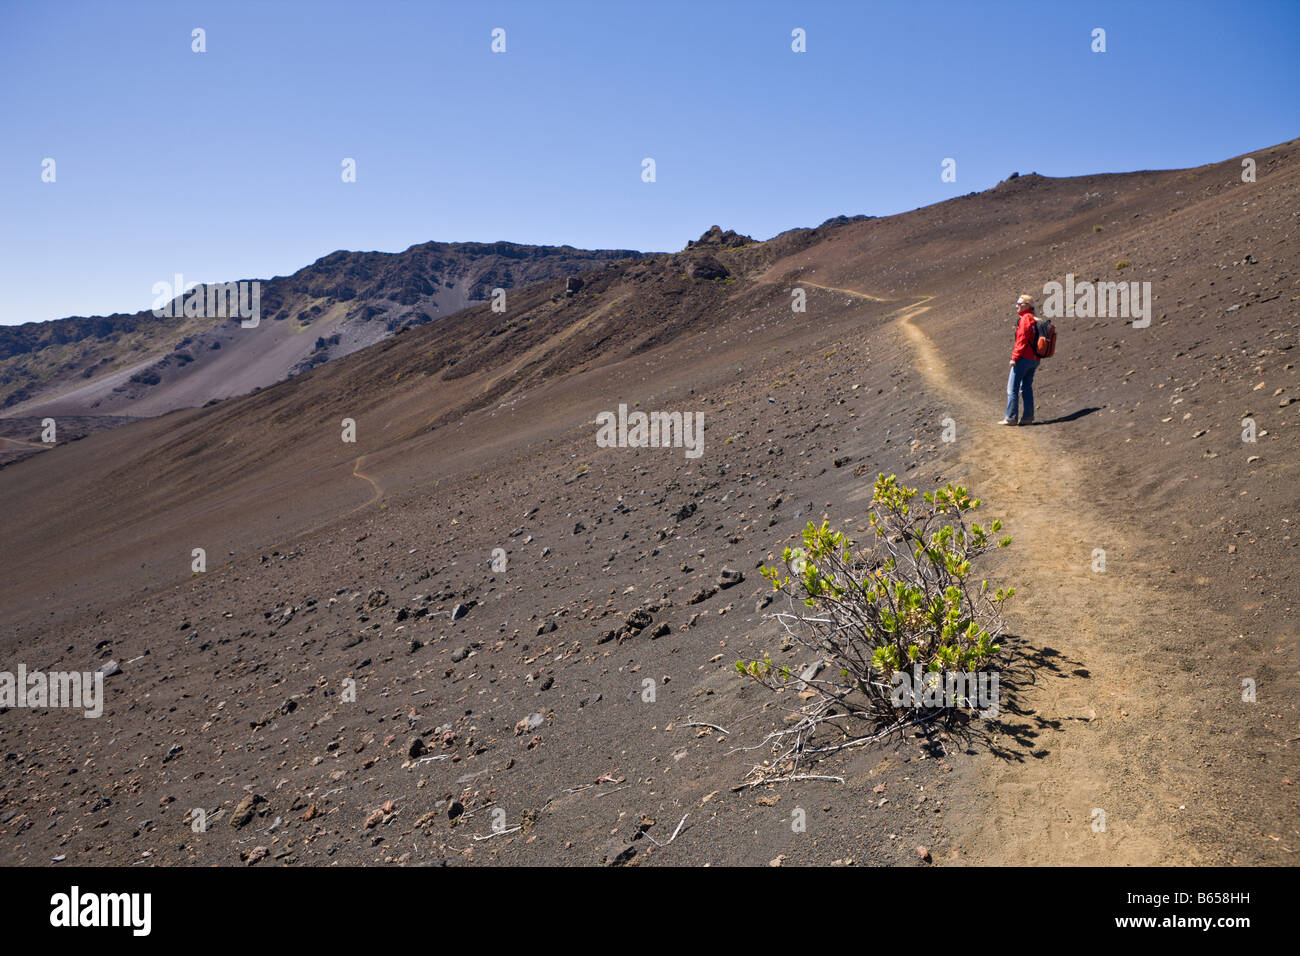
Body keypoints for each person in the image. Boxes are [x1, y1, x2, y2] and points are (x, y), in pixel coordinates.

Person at [1000, 293, 1040, 425]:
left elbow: (1021, 340)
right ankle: (1028, 417)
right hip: (1034, 359)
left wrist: (1014, 358)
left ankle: (1011, 418)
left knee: (1012, 388)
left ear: (1027, 306)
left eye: (1019, 303)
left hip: (1023, 358)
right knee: (1026, 388)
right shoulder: (1034, 319)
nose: (1016, 305)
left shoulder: (1025, 320)